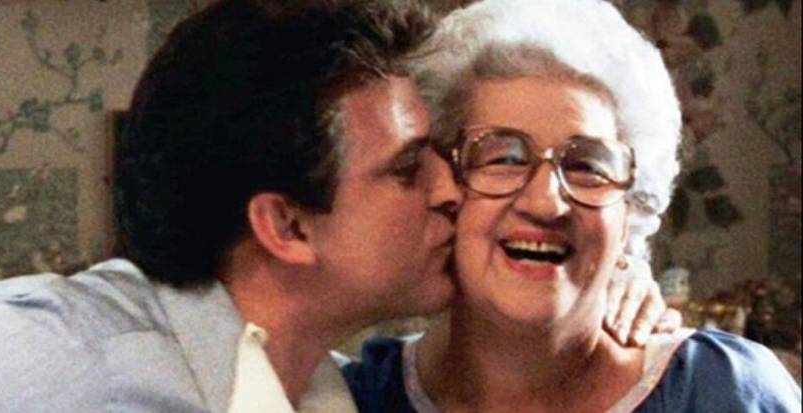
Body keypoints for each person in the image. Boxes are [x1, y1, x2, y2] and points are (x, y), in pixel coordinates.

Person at [0, 0, 673, 411]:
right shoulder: (53, 360)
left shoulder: (325, 387)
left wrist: (606, 264)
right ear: (286, 225)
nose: (450, 190)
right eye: (408, 168)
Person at [343, 0, 802, 412]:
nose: (546, 203)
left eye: (587, 166)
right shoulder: (352, 398)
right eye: (504, 158)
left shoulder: (722, 391)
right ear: (441, 185)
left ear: (631, 207)